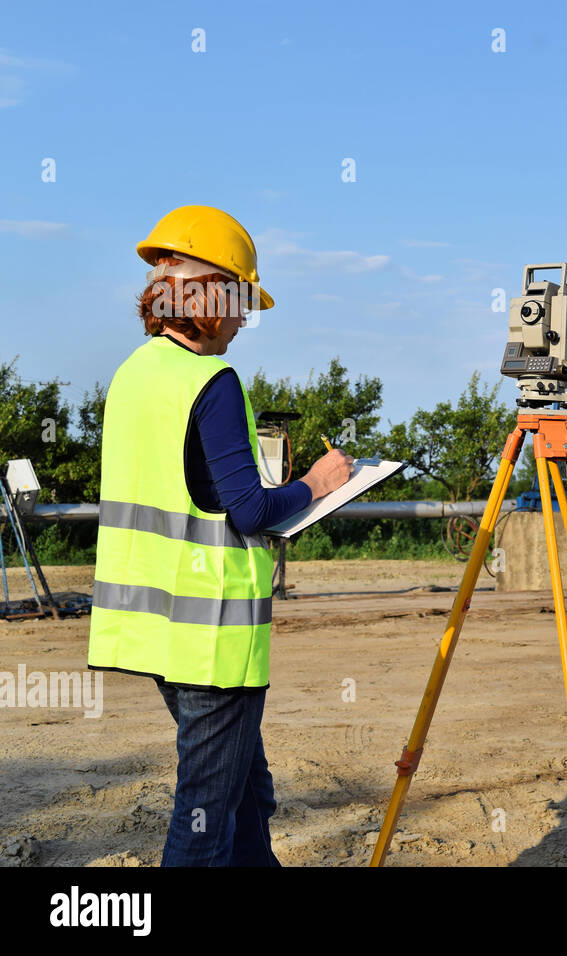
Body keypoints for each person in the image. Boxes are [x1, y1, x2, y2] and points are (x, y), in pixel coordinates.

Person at [87, 205, 353, 866]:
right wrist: (319, 483)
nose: (244, 320)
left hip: (156, 630)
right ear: (213, 294)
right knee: (205, 817)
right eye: (242, 302)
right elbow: (248, 511)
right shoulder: (212, 381)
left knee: (243, 796)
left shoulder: (132, 376)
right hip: (212, 639)